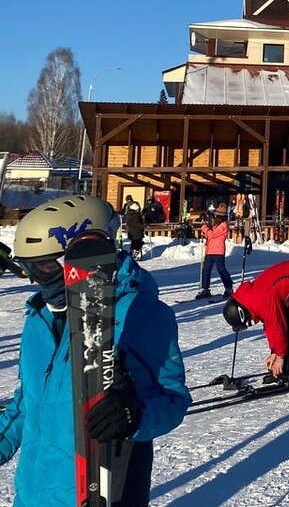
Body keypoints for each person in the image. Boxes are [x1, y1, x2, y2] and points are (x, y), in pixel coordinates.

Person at [0, 195, 190, 506]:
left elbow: (171, 398)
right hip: (32, 495)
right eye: (27, 268)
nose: (36, 279)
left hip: (95, 493)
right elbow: (27, 403)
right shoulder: (39, 318)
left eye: (44, 267)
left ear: (82, 257)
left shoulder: (139, 313)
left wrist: (133, 414)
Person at [224, 257, 289, 384]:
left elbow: (277, 327)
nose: (250, 322)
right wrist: (275, 352)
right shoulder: (251, 298)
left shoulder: (260, 301)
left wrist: (279, 357)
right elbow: (272, 327)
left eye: (247, 322)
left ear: (242, 313)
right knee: (288, 323)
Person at [198, 204, 235, 299]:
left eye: (216, 216)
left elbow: (212, 235)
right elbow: (209, 234)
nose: (215, 217)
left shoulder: (223, 225)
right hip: (210, 250)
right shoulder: (216, 224)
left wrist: (204, 228)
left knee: (221, 269)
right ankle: (205, 289)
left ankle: (229, 288)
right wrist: (206, 225)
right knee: (206, 270)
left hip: (218, 251)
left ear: (221, 216)